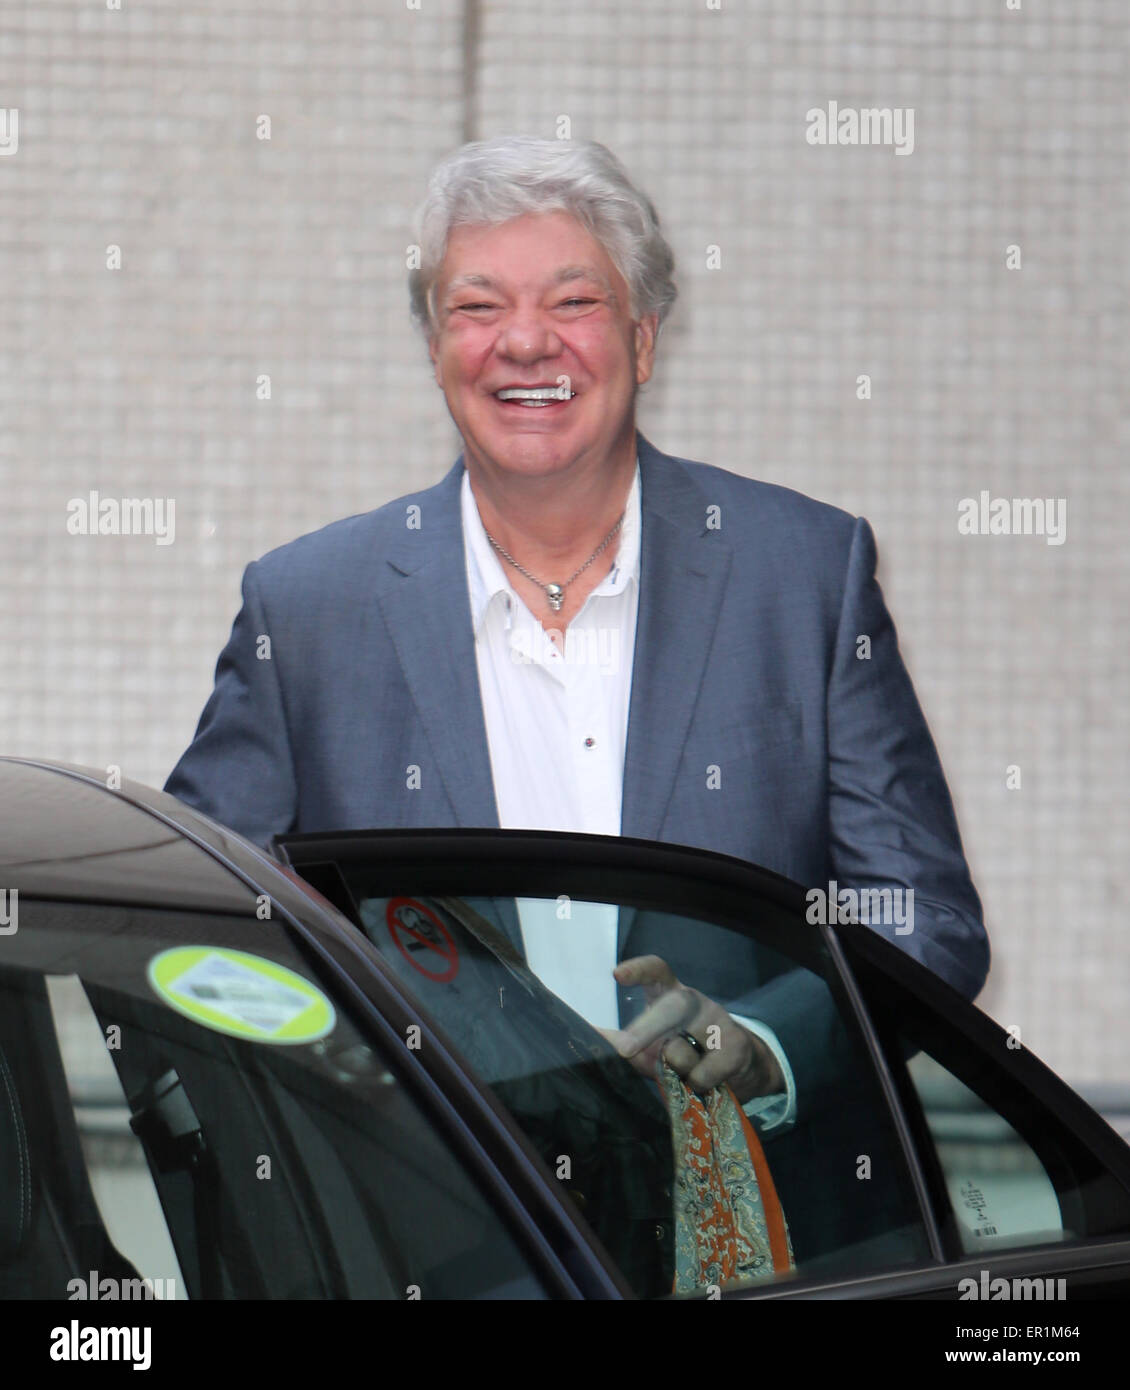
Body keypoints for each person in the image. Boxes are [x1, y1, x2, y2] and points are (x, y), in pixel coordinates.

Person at [165, 134, 989, 1142]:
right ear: (433, 346)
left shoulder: (802, 574)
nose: (523, 343)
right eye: (476, 306)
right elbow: (200, 927)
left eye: (572, 302)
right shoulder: (306, 608)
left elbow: (918, 915)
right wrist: (343, 1085)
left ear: (642, 339)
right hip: (438, 1239)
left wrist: (765, 1044)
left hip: (761, 1242)